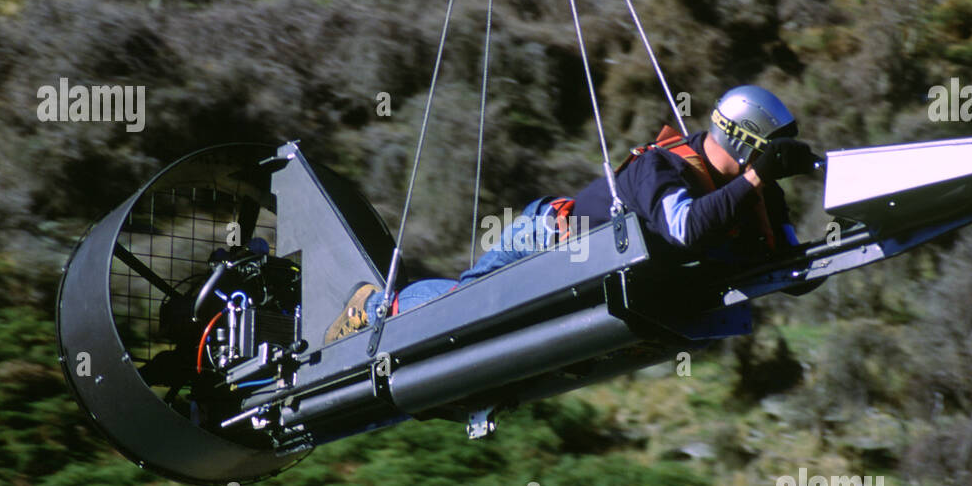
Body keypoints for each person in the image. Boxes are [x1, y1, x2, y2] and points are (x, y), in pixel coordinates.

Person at [324, 85, 822, 343]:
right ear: (745, 140)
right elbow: (686, 227)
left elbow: (788, 264)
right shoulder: (661, 165)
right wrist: (758, 179)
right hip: (548, 239)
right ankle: (374, 308)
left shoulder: (752, 192)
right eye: (769, 151)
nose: (769, 164)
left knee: (482, 328)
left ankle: (383, 311)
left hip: (580, 270)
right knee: (463, 309)